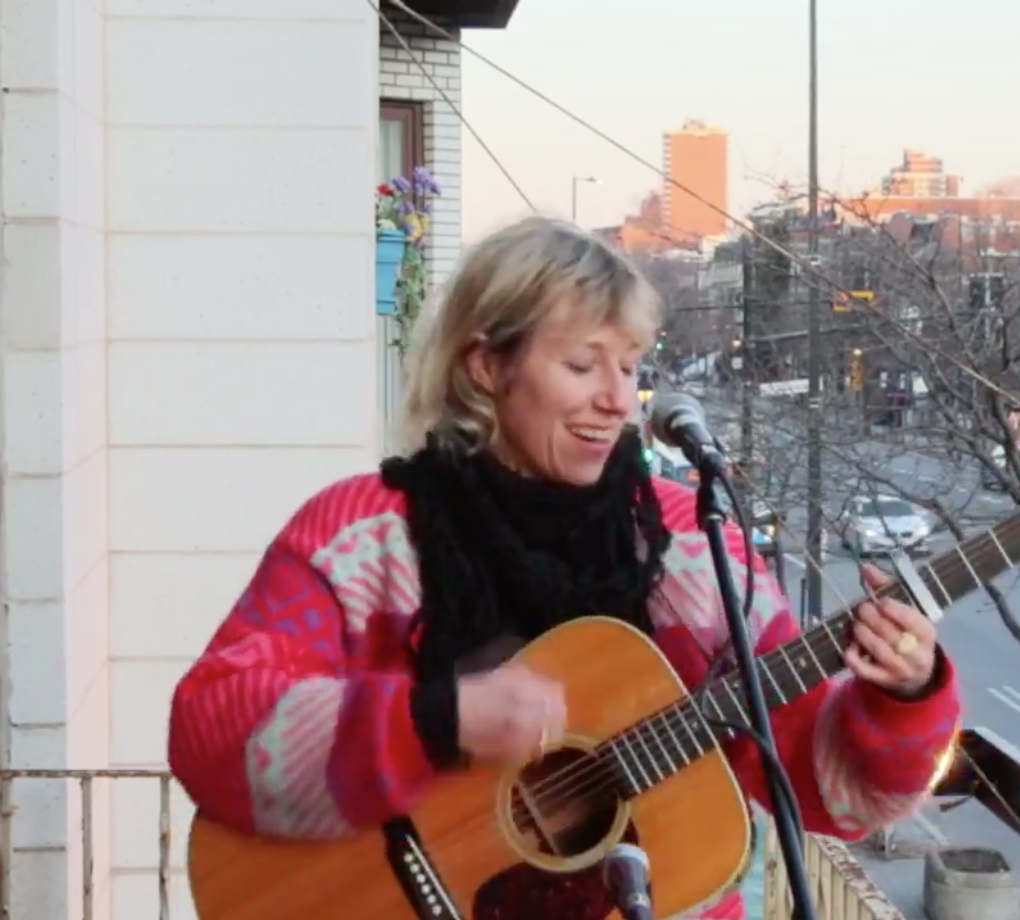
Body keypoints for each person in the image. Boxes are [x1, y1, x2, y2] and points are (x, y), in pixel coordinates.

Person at [166, 218, 962, 920]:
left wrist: (904, 696)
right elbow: (212, 731)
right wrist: (435, 721)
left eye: (631, 365)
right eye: (584, 365)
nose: (619, 399)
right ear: (487, 366)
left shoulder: (689, 545)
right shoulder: (362, 537)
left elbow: (831, 794)